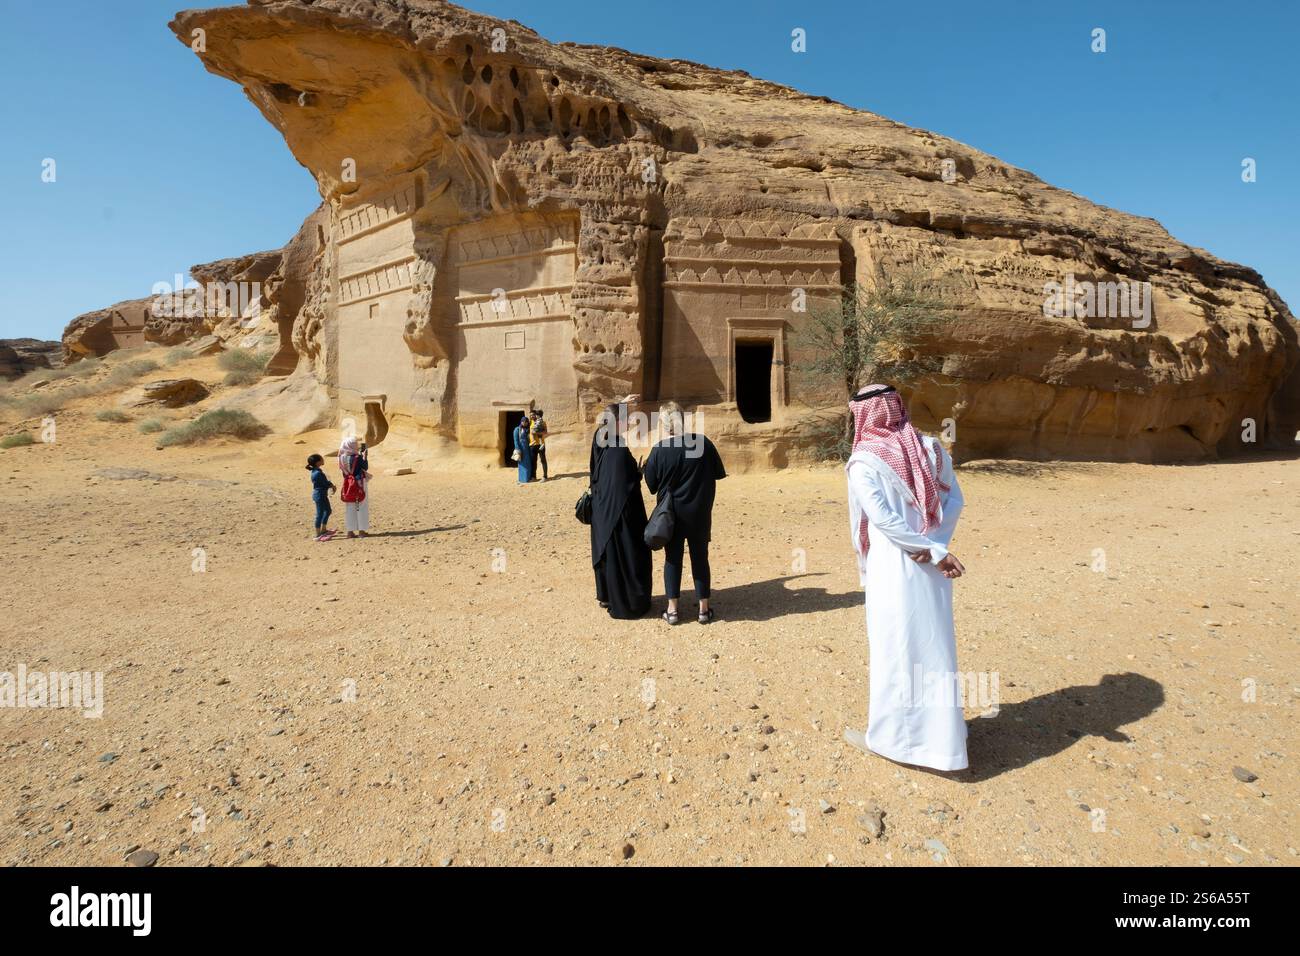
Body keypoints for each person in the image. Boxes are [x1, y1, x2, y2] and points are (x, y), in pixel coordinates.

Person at [842, 384, 968, 772]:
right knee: (932, 647)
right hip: (931, 565)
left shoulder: (864, 461)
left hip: (893, 565)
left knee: (895, 648)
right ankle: (944, 741)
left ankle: (892, 742)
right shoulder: (930, 449)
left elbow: (881, 519)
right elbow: (954, 501)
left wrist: (925, 549)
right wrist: (936, 547)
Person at [643, 400, 727, 625]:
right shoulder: (703, 443)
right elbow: (718, 473)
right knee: (700, 558)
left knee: (673, 559)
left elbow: (651, 486)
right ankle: (703, 609)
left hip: (672, 516)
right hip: (699, 513)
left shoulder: (660, 449)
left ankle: (672, 611)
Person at [589, 401, 652, 619]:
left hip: (602, 511)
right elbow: (624, 485)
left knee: (607, 554)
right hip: (619, 515)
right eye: (626, 419)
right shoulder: (617, 449)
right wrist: (638, 474)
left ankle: (607, 596)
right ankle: (628, 602)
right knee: (627, 554)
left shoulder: (602, 441)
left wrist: (621, 404)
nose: (630, 423)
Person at [338, 436, 371, 538]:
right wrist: (364, 457)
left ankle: (350, 532)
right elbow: (364, 467)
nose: (357, 446)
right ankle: (361, 531)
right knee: (361, 506)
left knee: (350, 507)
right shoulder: (357, 457)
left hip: (348, 484)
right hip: (359, 484)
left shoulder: (341, 458)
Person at [306, 453, 336, 541]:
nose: (323, 460)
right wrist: (332, 486)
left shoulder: (317, 471)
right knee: (319, 514)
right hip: (319, 495)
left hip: (322, 494)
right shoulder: (317, 473)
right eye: (321, 459)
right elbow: (324, 483)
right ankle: (318, 535)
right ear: (317, 462)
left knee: (328, 511)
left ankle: (323, 530)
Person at [529, 409, 549, 481]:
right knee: (533, 461)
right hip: (533, 445)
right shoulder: (530, 423)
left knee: (543, 460)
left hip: (541, 444)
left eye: (533, 415)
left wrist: (537, 433)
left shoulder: (543, 422)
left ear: (536, 415)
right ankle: (533, 477)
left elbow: (545, 432)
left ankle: (545, 476)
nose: (532, 416)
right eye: (530, 415)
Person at [514, 415, 534, 485]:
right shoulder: (517, 429)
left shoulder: (528, 430)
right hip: (521, 449)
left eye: (526, 422)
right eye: (523, 421)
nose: (524, 423)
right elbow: (516, 440)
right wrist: (517, 448)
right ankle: (522, 479)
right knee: (522, 464)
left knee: (528, 463)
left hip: (528, 449)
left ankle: (527, 478)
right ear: (521, 421)